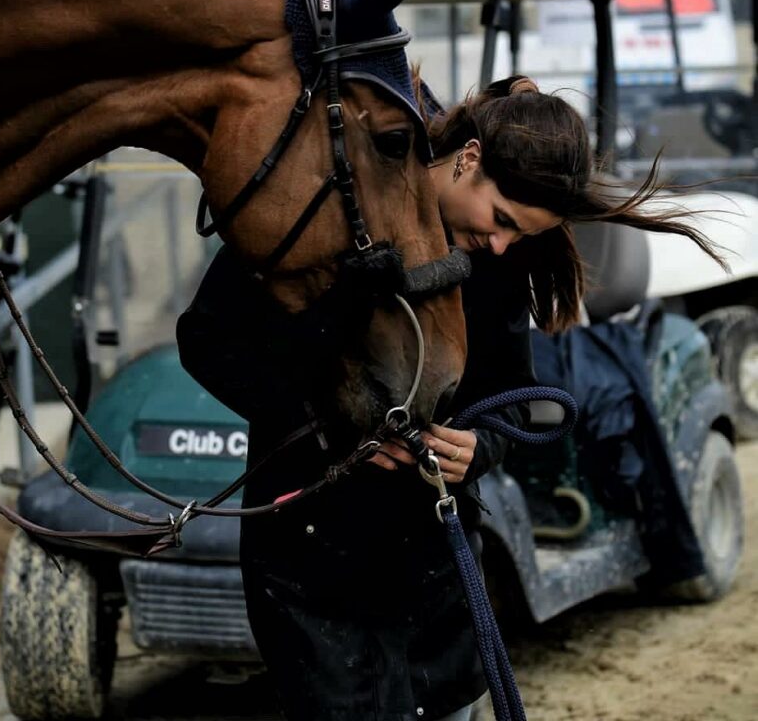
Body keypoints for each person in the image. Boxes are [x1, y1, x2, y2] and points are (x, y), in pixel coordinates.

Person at [177, 74, 722, 721]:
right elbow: (207, 342)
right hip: (311, 559)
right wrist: (327, 420)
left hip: (433, 567)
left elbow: (514, 397)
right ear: (468, 159)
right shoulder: (322, 210)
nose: (500, 244)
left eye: (519, 237)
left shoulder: (498, 261)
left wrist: (479, 446)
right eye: (501, 221)